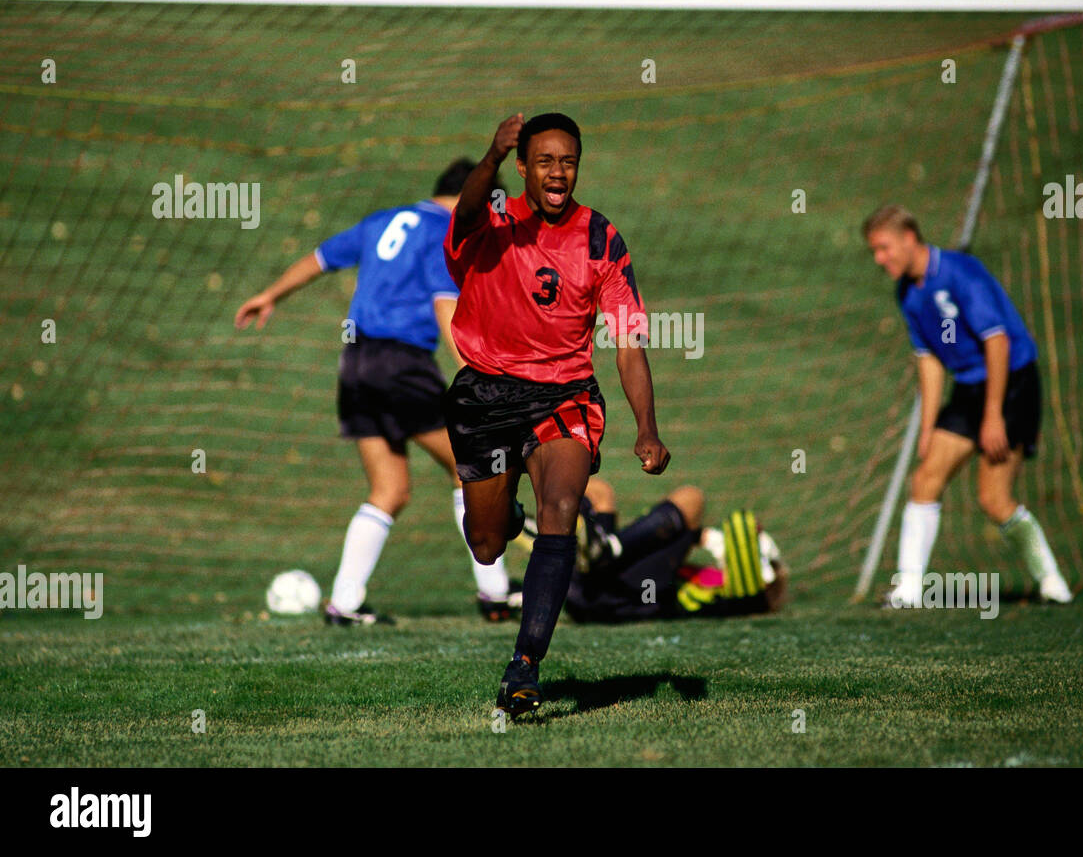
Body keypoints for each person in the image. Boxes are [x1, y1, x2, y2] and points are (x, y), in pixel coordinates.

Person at [443, 112, 670, 717]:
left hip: (563, 395)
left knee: (563, 509)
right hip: (487, 393)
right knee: (488, 545)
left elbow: (627, 341)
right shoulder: (493, 217)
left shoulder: (601, 238)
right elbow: (461, 216)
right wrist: (488, 156)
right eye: (545, 161)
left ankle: (524, 669)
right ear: (523, 167)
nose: (557, 172)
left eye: (567, 161)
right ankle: (504, 509)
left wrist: (646, 427)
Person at [234, 158, 518, 626]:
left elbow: (320, 258)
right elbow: (444, 301)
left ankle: (343, 604)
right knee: (474, 467)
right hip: (401, 364)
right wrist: (475, 370)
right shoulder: (447, 230)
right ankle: (494, 594)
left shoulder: (385, 218)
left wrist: (271, 295)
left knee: (390, 489)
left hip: (356, 362)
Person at [863, 204, 1072, 606]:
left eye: (884, 248)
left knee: (993, 500)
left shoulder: (961, 272)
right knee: (925, 479)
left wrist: (993, 416)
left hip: (1011, 386)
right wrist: (927, 429)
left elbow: (997, 341)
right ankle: (908, 591)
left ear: (909, 238)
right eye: (874, 251)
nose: (880, 259)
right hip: (970, 390)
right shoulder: (908, 292)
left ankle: (1051, 581)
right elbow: (928, 360)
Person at [523, 477, 787, 623]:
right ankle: (569, 539)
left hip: (615, 593)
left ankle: (557, 536)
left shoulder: (726, 591)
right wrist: (704, 538)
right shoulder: (715, 584)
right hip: (590, 591)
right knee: (598, 490)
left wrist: (712, 540)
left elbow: (738, 542)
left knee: (692, 497)